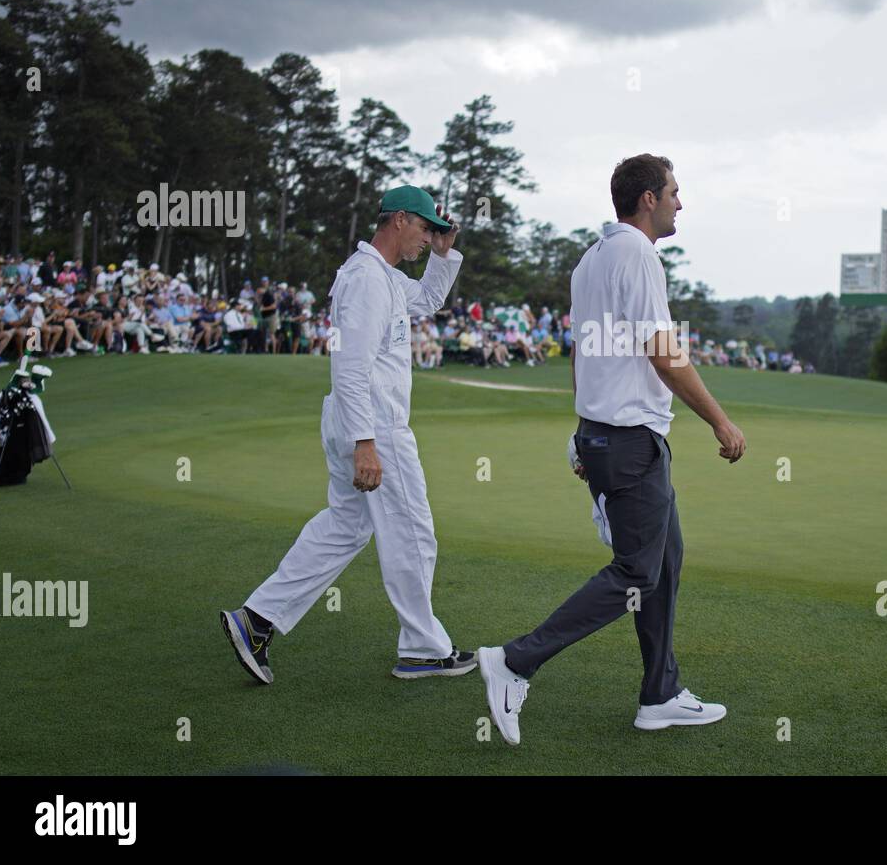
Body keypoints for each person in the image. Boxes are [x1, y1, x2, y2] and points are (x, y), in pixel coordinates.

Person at [478, 154, 746, 745]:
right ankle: (516, 661)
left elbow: (583, 352)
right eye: (675, 191)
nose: (681, 202)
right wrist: (720, 422)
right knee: (636, 571)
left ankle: (660, 694)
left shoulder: (591, 259)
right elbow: (664, 353)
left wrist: (582, 431)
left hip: (606, 436)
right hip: (630, 442)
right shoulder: (637, 253)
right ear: (648, 198)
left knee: (664, 561)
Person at [221, 186, 475, 684]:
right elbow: (351, 366)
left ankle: (256, 620)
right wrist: (366, 443)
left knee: (345, 528)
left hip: (361, 421)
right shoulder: (365, 279)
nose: (428, 238)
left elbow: (427, 300)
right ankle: (423, 648)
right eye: (425, 229)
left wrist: (444, 256)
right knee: (413, 532)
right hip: (374, 425)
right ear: (399, 220)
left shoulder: (382, 277)